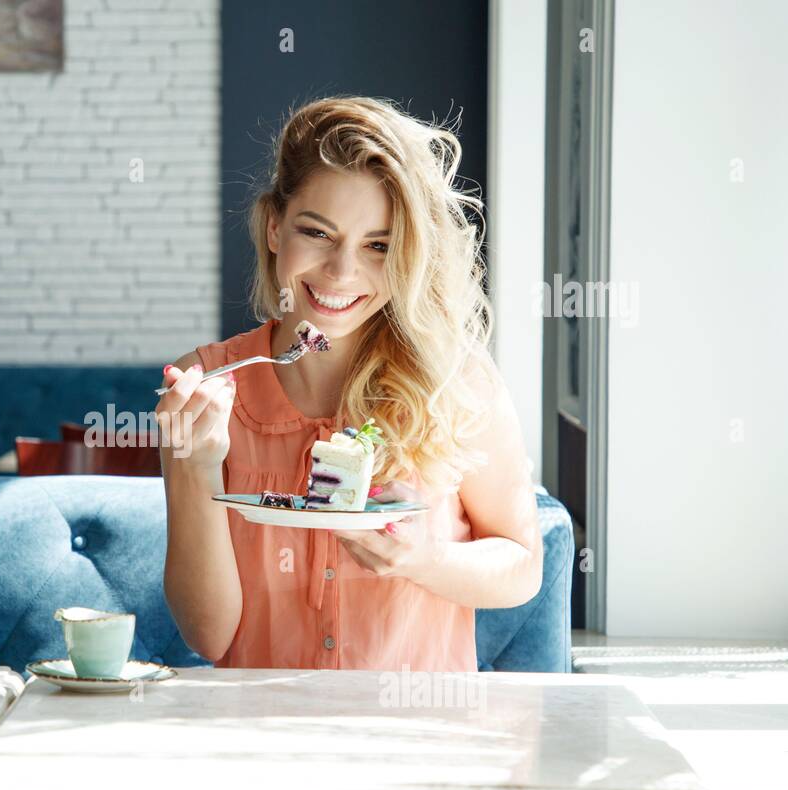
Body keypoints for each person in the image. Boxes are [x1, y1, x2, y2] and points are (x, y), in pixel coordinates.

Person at [156, 96, 542, 671]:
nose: (342, 272)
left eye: (378, 245)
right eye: (317, 233)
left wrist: (422, 558)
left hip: (417, 740)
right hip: (261, 738)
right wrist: (196, 465)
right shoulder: (206, 386)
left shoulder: (456, 381)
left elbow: (522, 568)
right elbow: (209, 636)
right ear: (273, 228)